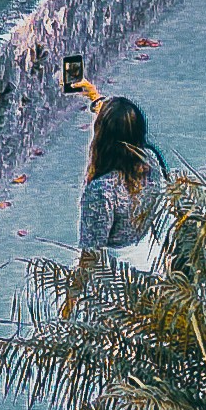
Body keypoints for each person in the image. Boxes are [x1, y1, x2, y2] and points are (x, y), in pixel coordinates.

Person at [77, 98, 166, 277]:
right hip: (153, 262)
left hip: (118, 279)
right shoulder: (151, 161)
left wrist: (70, 300)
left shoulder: (102, 190)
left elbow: (91, 254)